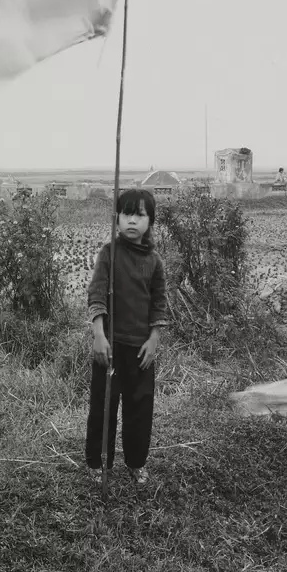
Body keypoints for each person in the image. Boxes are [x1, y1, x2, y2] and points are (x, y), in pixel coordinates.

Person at [86, 188, 168, 488]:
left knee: (140, 410)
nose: (132, 220)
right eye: (126, 214)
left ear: (150, 221)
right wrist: (98, 335)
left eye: (140, 214)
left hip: (141, 350)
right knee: (103, 408)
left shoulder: (154, 262)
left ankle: (136, 463)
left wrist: (154, 339)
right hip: (109, 347)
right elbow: (96, 294)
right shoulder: (109, 254)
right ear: (117, 218)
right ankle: (97, 464)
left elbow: (159, 302)